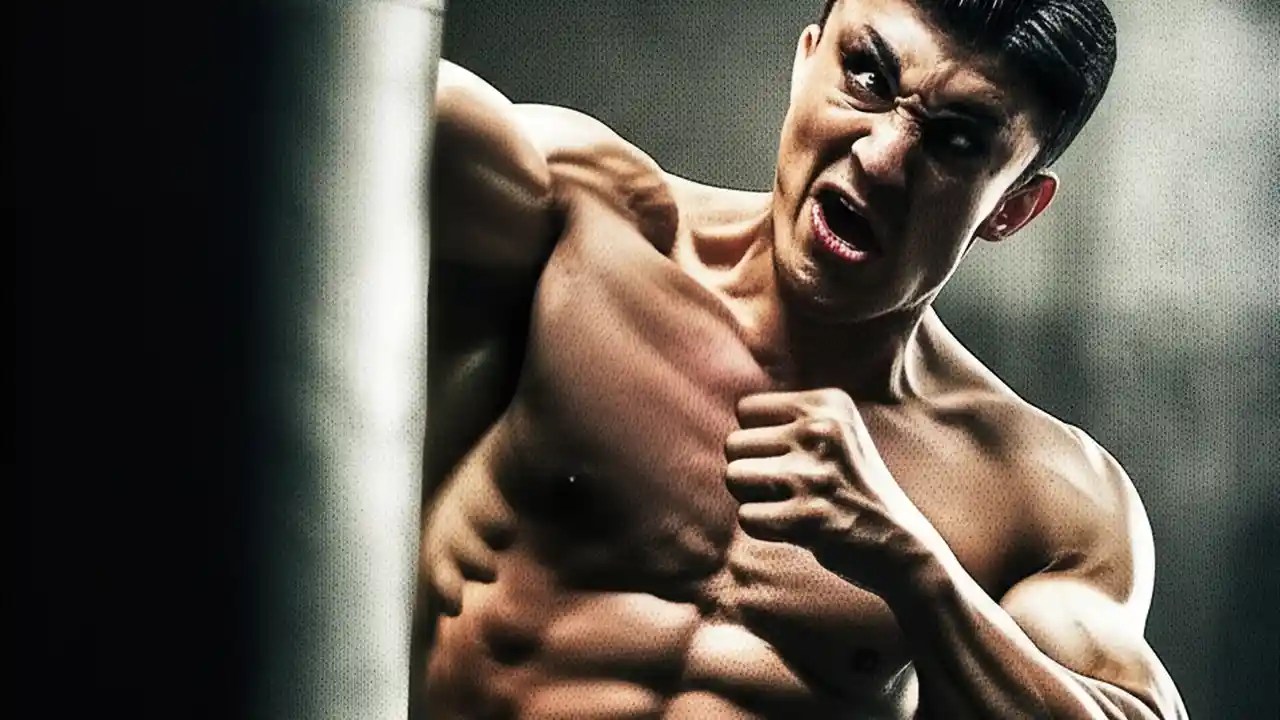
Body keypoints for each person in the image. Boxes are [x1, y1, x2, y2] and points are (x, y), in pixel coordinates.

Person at [412, 0, 1188, 717]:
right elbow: (319, 76)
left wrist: (915, 568)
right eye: (867, 76)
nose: (883, 160)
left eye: (956, 139)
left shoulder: (1040, 501)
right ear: (805, 58)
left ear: (1013, 206)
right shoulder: (576, 215)